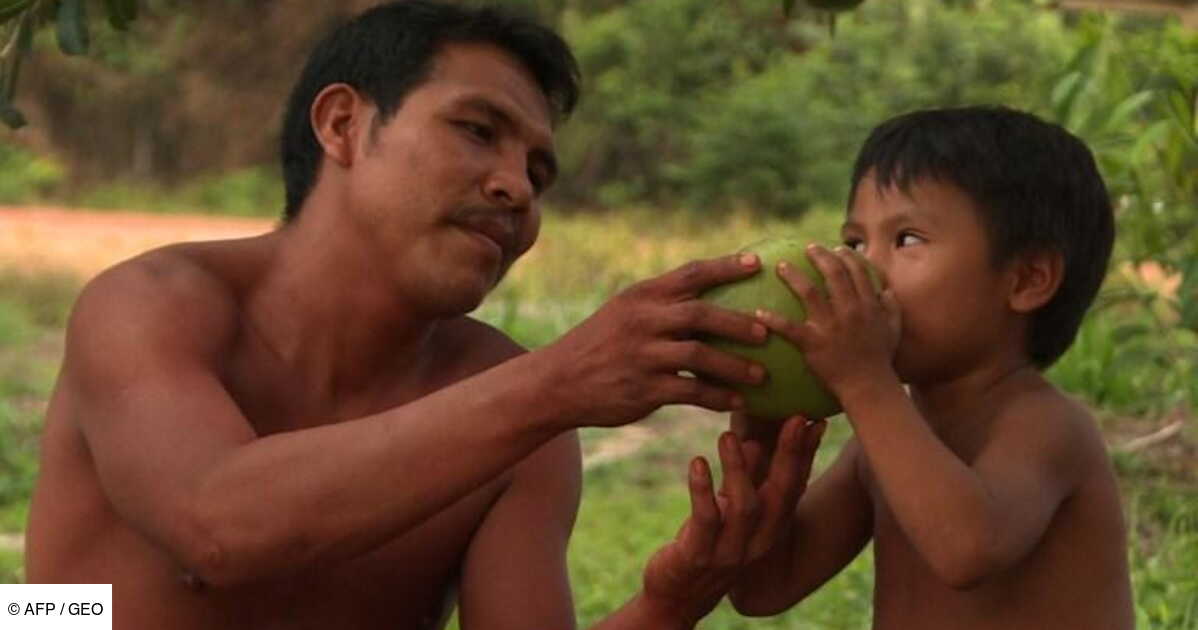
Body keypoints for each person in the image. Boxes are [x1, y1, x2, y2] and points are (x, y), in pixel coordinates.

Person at [24, 2, 827, 628]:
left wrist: (671, 604)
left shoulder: (517, 422)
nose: (516, 187)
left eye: (539, 173)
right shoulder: (151, 301)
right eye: (477, 131)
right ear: (343, 125)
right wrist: (556, 383)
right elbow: (219, 525)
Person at [727, 106, 1134, 629]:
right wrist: (761, 428)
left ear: (1027, 279)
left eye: (907, 239)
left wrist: (864, 383)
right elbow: (765, 586)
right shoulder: (881, 448)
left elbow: (967, 549)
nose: (863, 268)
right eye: (854, 242)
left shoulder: (1047, 428)